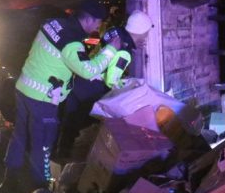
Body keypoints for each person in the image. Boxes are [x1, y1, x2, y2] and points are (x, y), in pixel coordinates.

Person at [0, 0, 119, 193]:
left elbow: (73, 44)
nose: (99, 26)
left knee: (20, 135)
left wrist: (99, 41)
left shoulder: (54, 24)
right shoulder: (72, 42)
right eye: (98, 22)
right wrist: (111, 48)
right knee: (43, 144)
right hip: (42, 99)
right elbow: (87, 70)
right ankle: (41, 188)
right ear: (88, 19)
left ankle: (9, 177)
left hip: (23, 89)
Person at [54, 10, 152, 161]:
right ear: (140, 31)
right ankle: (83, 158)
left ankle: (59, 152)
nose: (146, 35)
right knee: (90, 124)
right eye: (146, 32)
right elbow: (111, 80)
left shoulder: (114, 32)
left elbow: (99, 46)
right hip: (93, 88)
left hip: (81, 78)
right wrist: (125, 84)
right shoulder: (124, 52)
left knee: (69, 120)